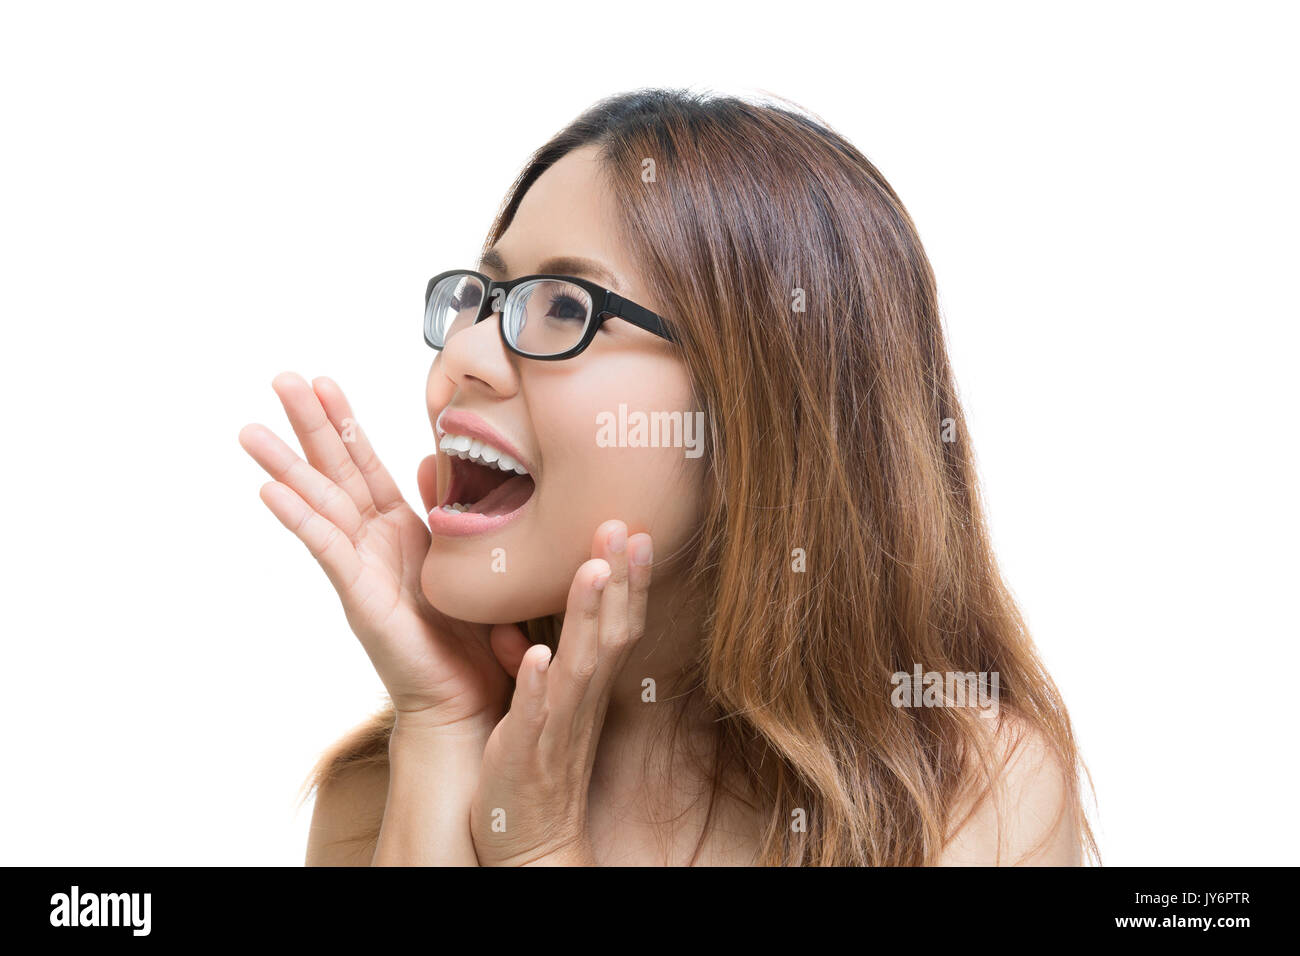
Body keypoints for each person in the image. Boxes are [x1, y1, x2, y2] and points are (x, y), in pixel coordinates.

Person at [239, 88, 1097, 866]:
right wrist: (440, 728)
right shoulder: (383, 789)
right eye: (485, 300)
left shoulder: (967, 795)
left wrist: (539, 852)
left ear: (763, 405)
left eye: (566, 307)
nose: (462, 354)